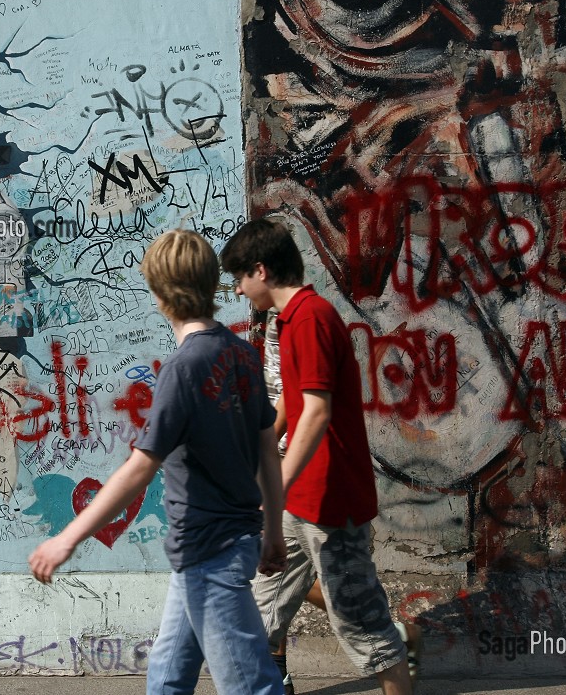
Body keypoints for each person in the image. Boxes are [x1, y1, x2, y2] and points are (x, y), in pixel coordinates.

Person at [29, 229, 286, 695]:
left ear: (160, 295)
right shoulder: (242, 354)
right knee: (167, 679)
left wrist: (67, 538)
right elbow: (268, 446)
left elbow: (140, 468)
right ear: (212, 284)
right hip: (216, 547)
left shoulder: (183, 368)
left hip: (210, 551)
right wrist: (273, 531)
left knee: (252, 688)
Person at [220, 219, 413, 695]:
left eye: (240, 279)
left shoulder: (310, 317)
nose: (241, 291)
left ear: (260, 271)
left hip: (331, 500)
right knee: (260, 614)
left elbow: (319, 412)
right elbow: (293, 401)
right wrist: (263, 451)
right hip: (297, 500)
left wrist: (276, 484)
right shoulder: (287, 321)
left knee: (365, 630)